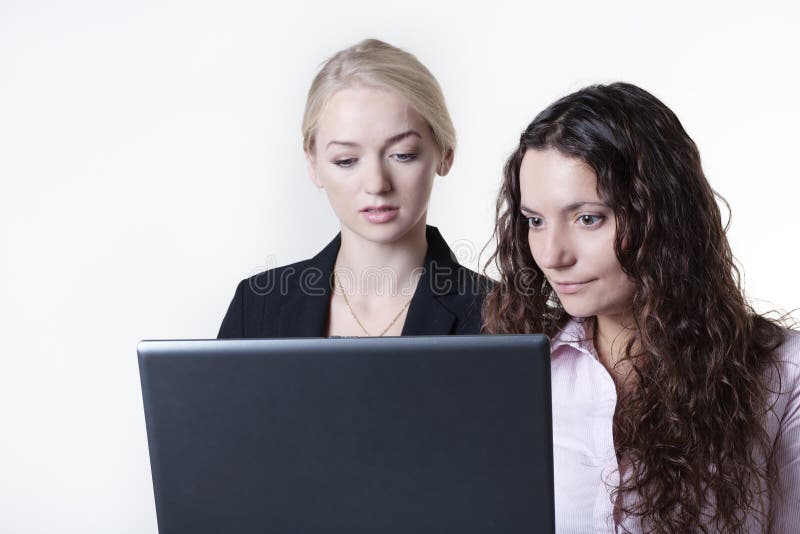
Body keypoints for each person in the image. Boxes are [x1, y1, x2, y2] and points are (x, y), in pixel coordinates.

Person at [483, 82, 799, 533]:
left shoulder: (783, 373)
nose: (552, 254)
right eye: (534, 221)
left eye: (588, 218)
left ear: (662, 216)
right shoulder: (513, 373)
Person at [219, 39, 489, 339]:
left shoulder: (500, 314)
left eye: (403, 155)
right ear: (313, 164)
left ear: (445, 155)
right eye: (346, 160)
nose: (376, 184)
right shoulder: (257, 307)